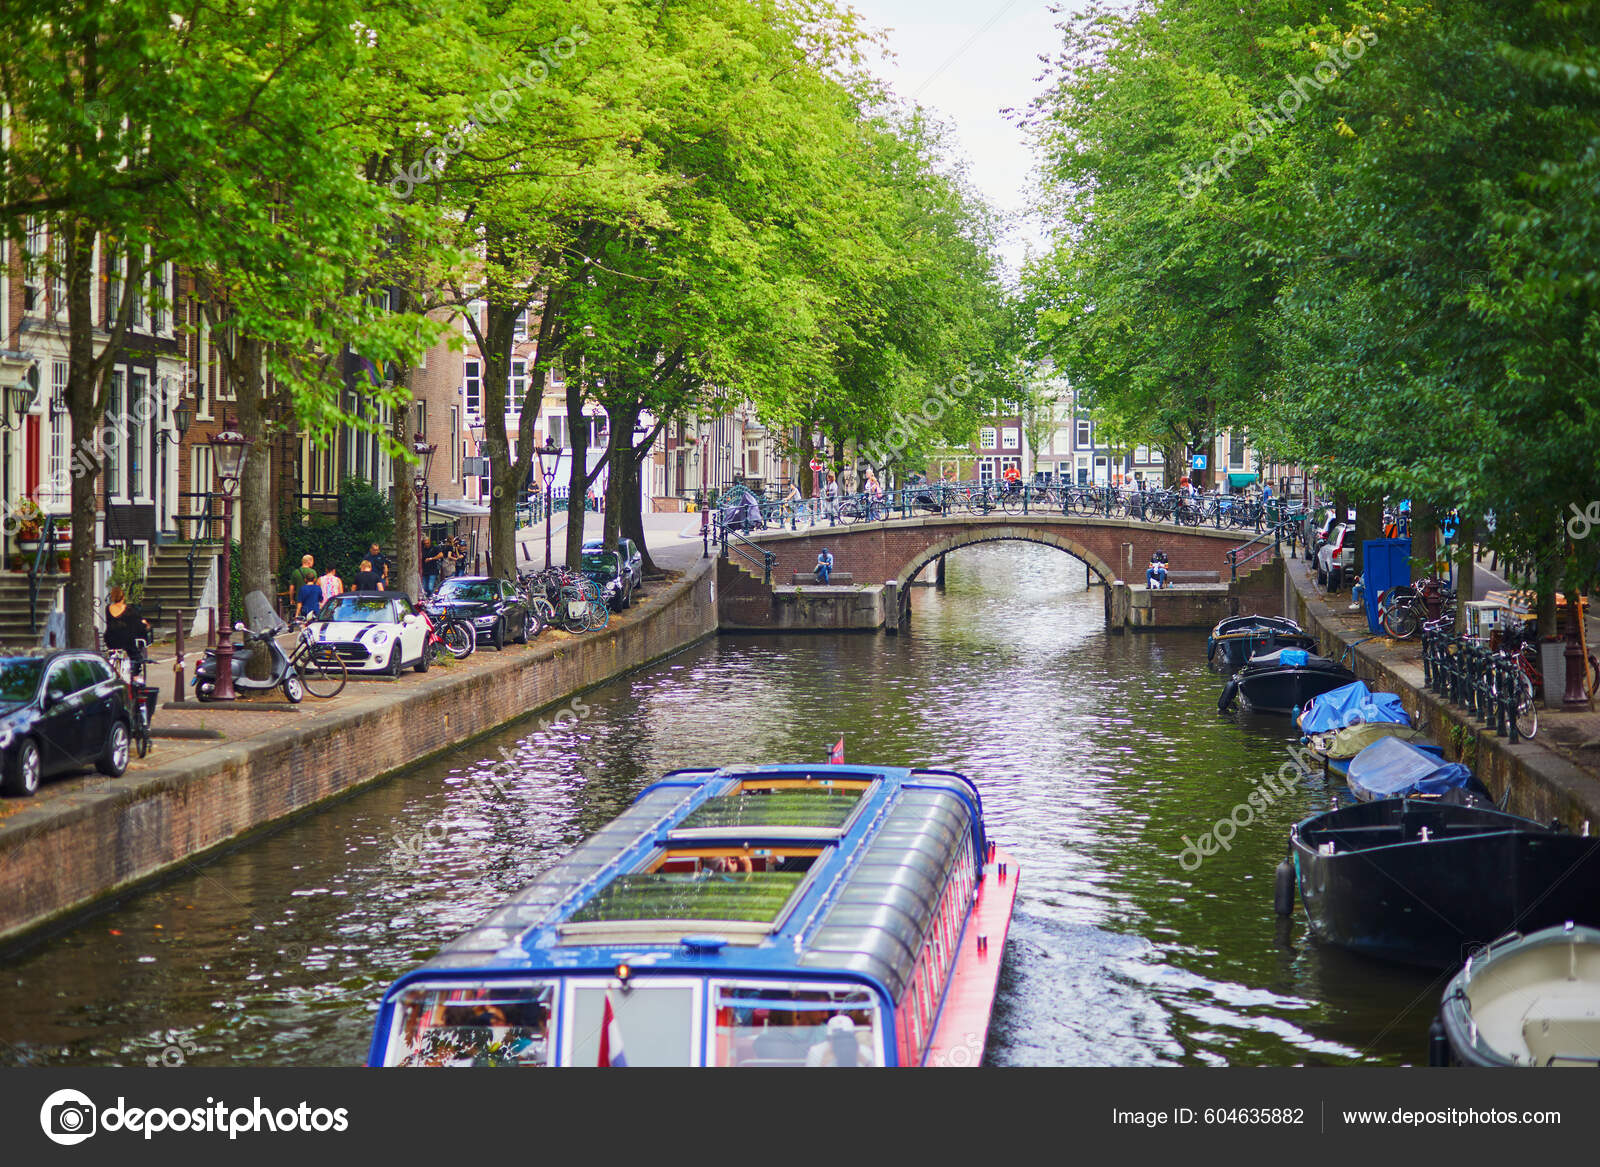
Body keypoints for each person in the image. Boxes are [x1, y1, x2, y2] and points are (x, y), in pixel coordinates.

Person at [103, 585, 152, 675]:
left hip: (110, 639)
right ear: (123, 597)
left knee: (112, 653)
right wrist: (145, 624)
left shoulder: (108, 608)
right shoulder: (129, 609)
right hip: (125, 640)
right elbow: (136, 623)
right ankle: (136, 676)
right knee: (136, 657)